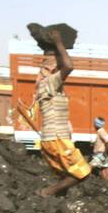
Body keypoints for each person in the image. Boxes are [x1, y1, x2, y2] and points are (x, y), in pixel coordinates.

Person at [26, 29, 90, 197]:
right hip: (57, 138)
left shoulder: (46, 82)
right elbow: (69, 66)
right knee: (82, 172)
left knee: (66, 177)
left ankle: (57, 203)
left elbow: (63, 64)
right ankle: (46, 192)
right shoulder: (49, 81)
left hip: (52, 138)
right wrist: (59, 42)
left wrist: (57, 45)